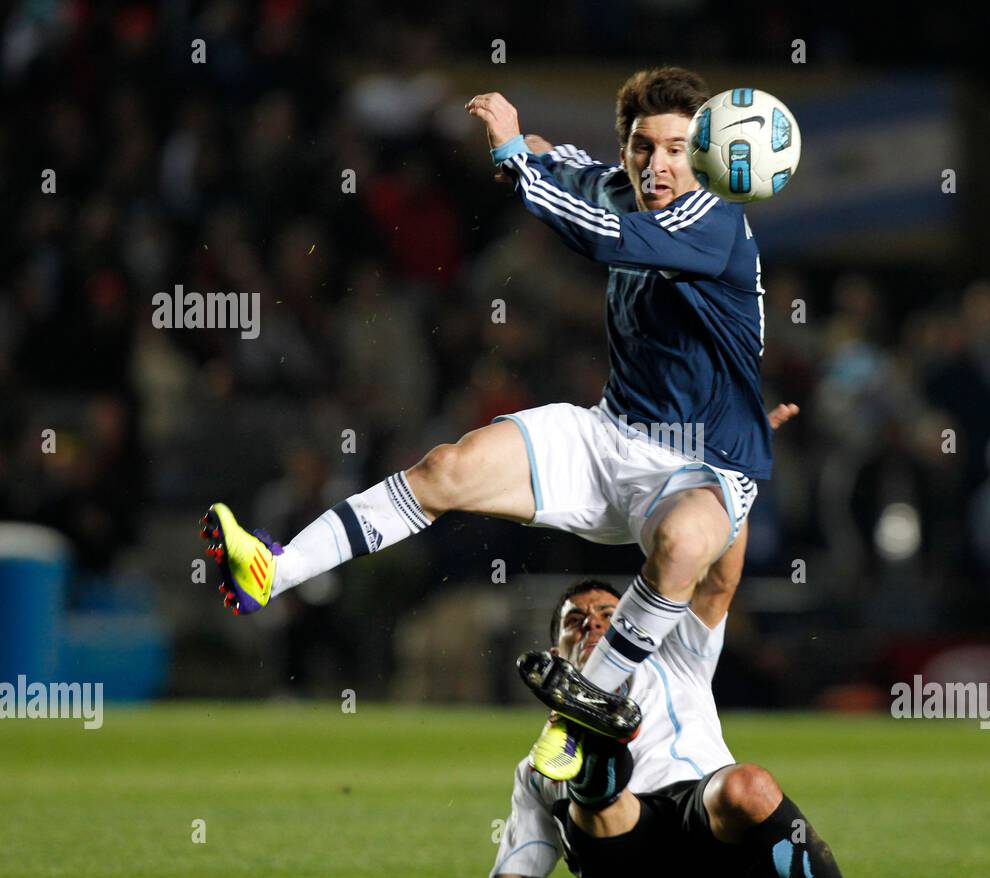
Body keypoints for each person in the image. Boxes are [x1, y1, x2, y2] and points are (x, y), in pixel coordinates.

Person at [201, 66, 775, 732]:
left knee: (678, 546)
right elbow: (566, 165)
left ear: (702, 155)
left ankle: (583, 713)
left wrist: (512, 154)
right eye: (644, 147)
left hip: (704, 467)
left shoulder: (715, 223)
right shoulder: (620, 185)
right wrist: (525, 150)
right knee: (446, 468)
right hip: (609, 436)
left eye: (677, 149)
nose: (658, 165)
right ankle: (272, 571)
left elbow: (599, 236)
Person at [488, 539, 845, 878]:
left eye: (609, 616)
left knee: (748, 784)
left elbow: (720, 581)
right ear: (556, 652)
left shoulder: (676, 658)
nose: (592, 624)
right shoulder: (535, 773)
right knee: (594, 803)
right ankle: (598, 729)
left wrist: (734, 491)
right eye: (575, 620)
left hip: (708, 833)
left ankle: (592, 723)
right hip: (626, 855)